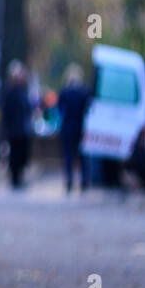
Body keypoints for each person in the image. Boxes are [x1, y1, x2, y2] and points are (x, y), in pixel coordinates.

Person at [56, 63, 91, 194]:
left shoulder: (65, 92)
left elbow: (60, 110)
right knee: (83, 156)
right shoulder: (84, 92)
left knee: (69, 156)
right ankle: (84, 181)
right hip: (81, 128)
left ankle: (70, 181)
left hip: (68, 128)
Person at [0, 59, 34, 190]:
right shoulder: (11, 92)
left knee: (22, 153)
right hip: (15, 128)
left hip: (22, 128)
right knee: (15, 154)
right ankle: (15, 178)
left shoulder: (22, 91)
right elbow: (7, 111)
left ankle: (19, 176)